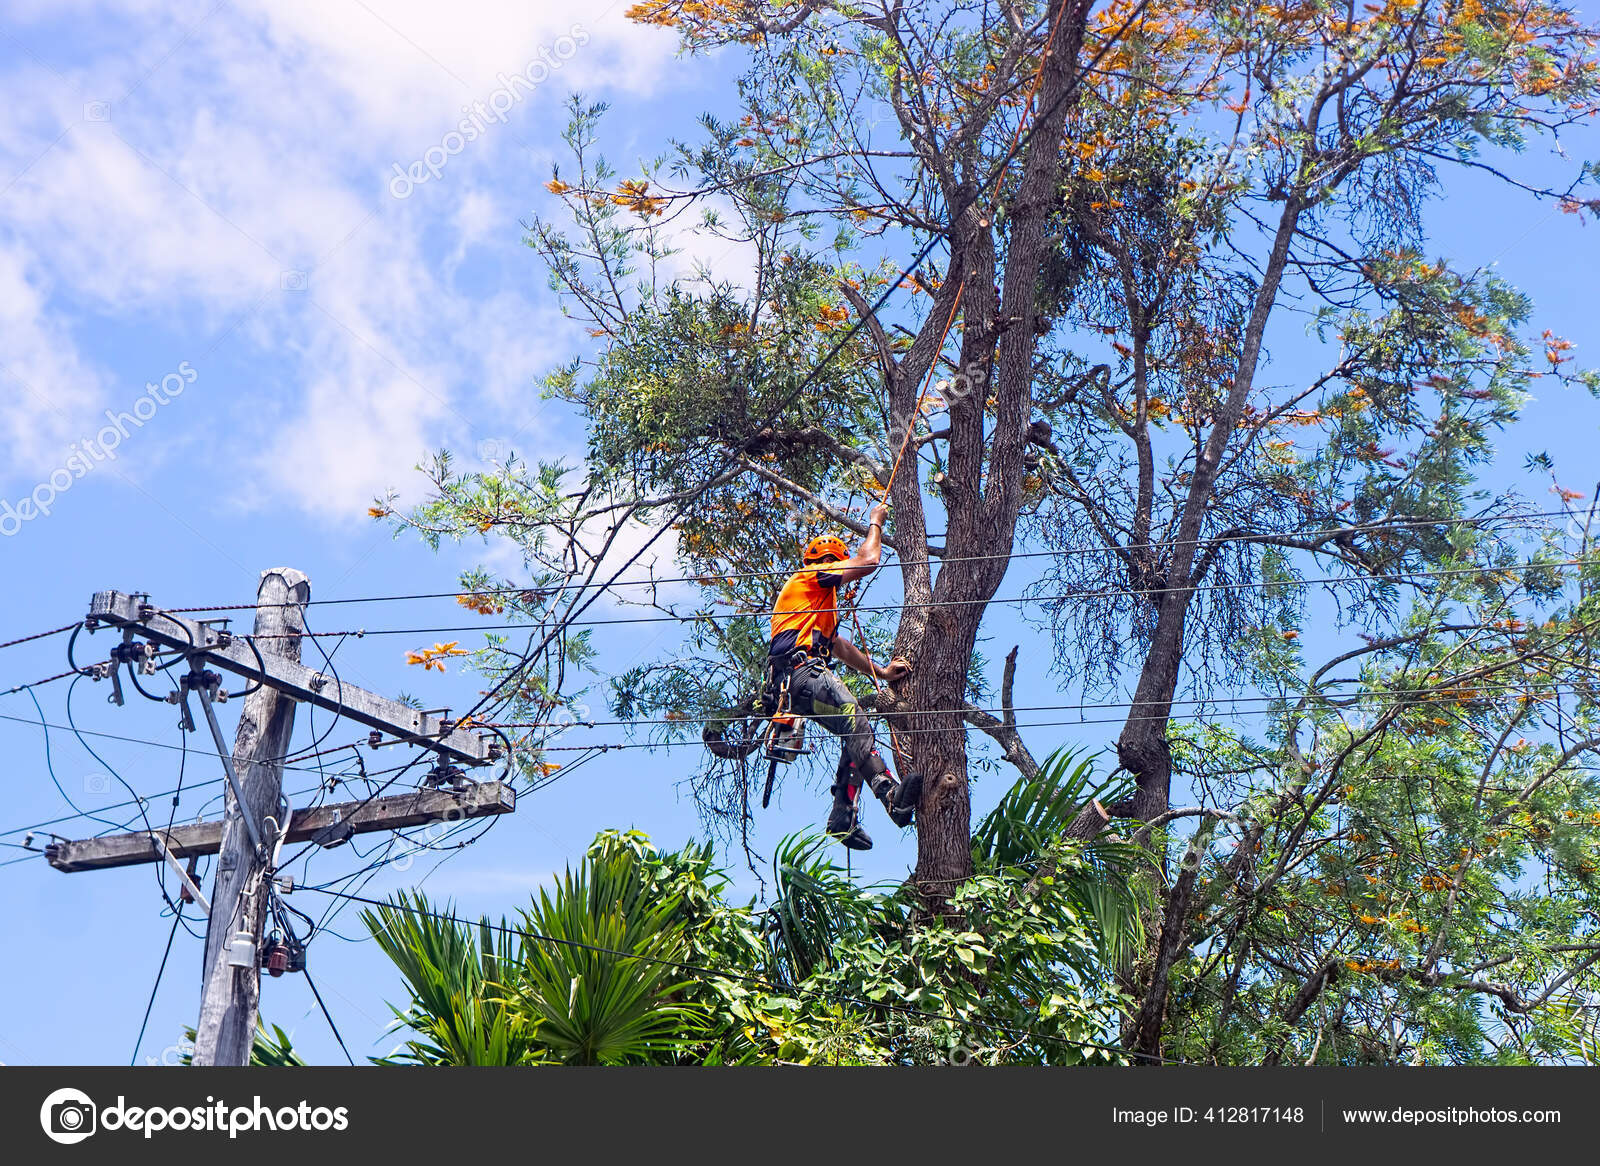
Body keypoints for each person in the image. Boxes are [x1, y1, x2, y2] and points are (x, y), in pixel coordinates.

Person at [767, 500, 918, 850]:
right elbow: (869, 560)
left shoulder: (818, 607)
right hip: (801, 673)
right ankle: (890, 795)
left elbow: (840, 647)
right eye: (835, 565)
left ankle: (842, 817)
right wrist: (875, 522)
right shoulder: (811, 576)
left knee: (854, 730)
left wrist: (881, 671)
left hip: (796, 687)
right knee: (855, 718)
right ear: (827, 563)